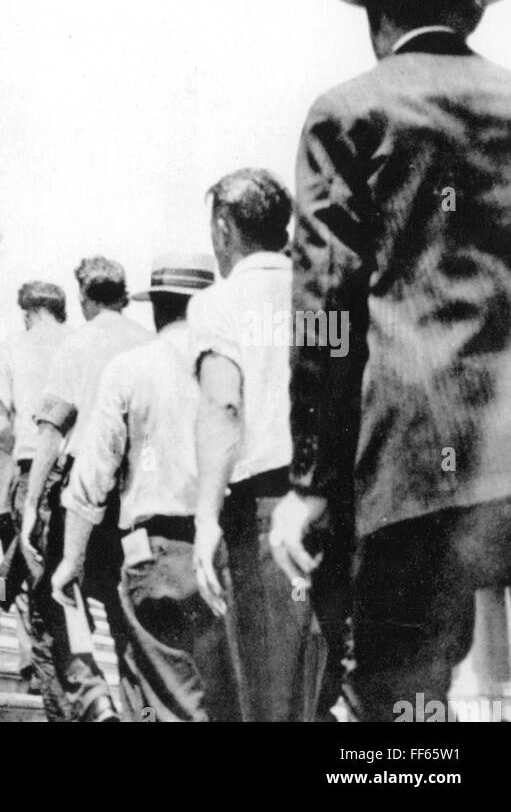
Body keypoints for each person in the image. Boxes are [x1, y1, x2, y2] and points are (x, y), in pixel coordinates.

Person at [269, 0, 511, 722]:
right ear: (470, 8)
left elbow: (324, 311)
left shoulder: (346, 114)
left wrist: (309, 480)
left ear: (377, 16)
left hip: (411, 462)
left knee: (403, 720)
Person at [52, 254, 242, 721]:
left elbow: (92, 477)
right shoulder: (235, 365)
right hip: (228, 552)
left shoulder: (129, 368)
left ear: (156, 308)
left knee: (164, 700)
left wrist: (71, 561)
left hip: (152, 554)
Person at [189, 170, 321, 722]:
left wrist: (205, 517)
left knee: (269, 696)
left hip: (262, 514)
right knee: (322, 686)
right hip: (332, 504)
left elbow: (224, 405)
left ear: (223, 228)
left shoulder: (219, 303)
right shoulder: (321, 294)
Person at [19, 255, 150, 723]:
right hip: (135, 496)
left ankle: (92, 697)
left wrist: (32, 502)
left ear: (82, 297)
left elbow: (54, 429)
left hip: (81, 493)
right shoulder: (150, 343)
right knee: (125, 611)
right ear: (126, 295)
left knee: (61, 600)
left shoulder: (77, 345)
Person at [0, 280, 69, 688]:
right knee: (48, 562)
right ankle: (38, 657)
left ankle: (32, 659)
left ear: (27, 312)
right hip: (78, 467)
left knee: (31, 561)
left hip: (32, 466)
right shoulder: (80, 343)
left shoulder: (12, 348)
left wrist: (20, 446)